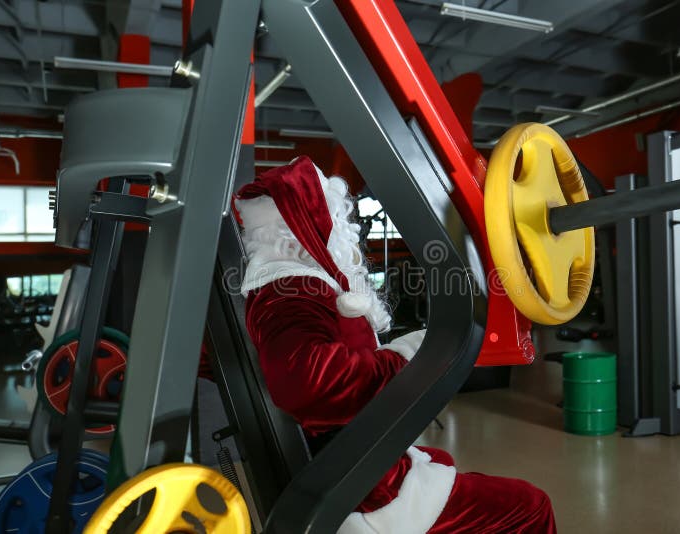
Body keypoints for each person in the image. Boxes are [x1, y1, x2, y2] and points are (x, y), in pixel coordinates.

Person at [236, 156, 556, 533]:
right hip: (368, 492)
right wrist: (407, 358)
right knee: (530, 506)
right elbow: (310, 384)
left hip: (362, 464)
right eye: (335, 218)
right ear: (307, 223)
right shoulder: (291, 291)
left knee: (446, 463)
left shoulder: (296, 286)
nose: (345, 229)